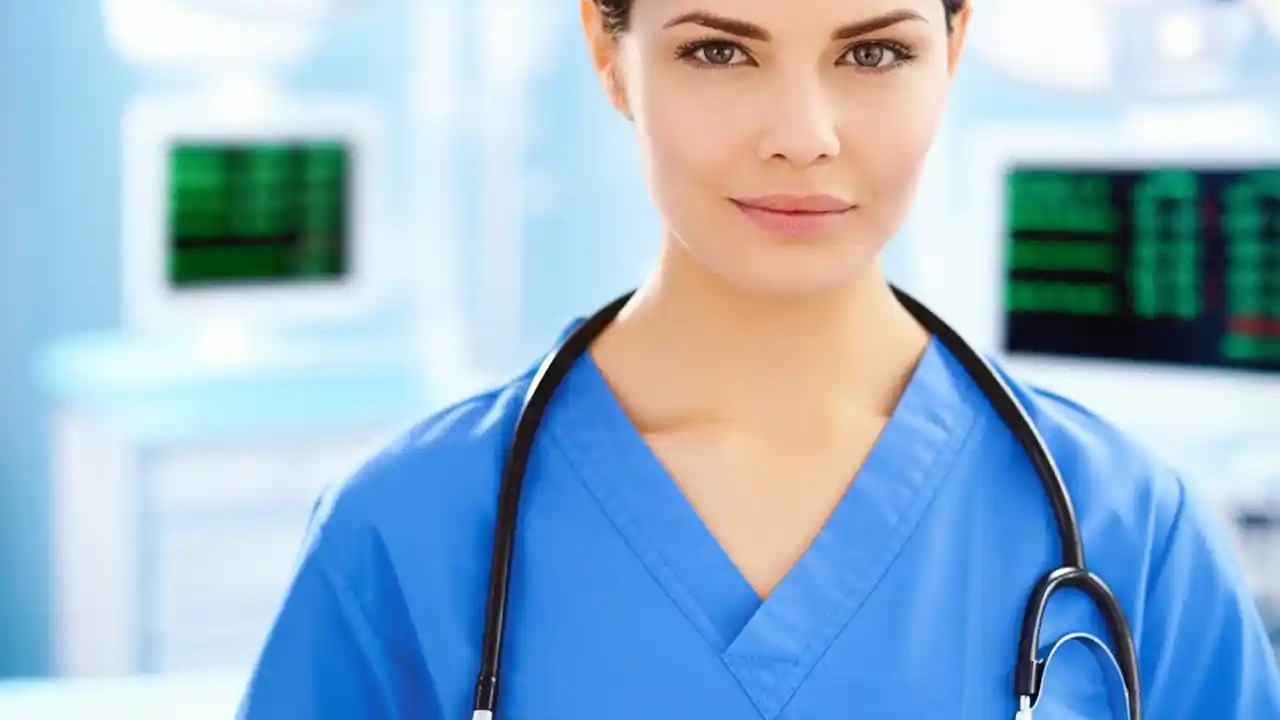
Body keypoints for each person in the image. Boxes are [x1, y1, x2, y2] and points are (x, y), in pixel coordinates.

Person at [237, 0, 1280, 717]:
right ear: (610, 53)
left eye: (871, 52)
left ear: (951, 51)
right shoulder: (409, 527)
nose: (801, 134)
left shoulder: (1128, 530)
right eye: (718, 51)